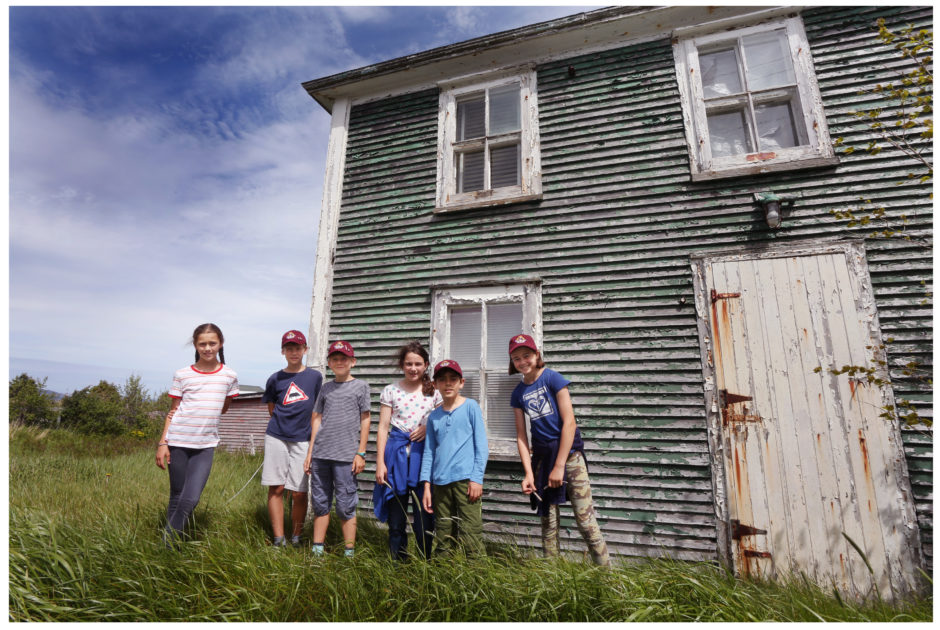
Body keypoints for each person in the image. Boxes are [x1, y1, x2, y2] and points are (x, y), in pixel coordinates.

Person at [508, 334, 610, 566]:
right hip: (543, 459)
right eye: (516, 358)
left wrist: (560, 465)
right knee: (549, 524)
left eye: (527, 355)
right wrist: (529, 473)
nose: (522, 361)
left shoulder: (553, 379)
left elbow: (570, 423)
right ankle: (552, 579)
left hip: (569, 458)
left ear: (536, 355)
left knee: (585, 522)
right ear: (512, 362)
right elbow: (522, 437)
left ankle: (608, 580)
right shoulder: (517, 393)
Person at [156, 323, 239, 546]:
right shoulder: (182, 375)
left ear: (220, 344)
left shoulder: (229, 376)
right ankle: (173, 547)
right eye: (202, 344)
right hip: (178, 441)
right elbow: (173, 411)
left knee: (191, 498)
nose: (207, 348)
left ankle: (166, 541)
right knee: (176, 495)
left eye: (212, 343)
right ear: (195, 345)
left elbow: (224, 406)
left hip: (205, 445)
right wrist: (163, 443)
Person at [373, 341, 442, 560]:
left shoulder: (435, 393)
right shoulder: (391, 391)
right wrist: (380, 463)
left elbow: (442, 423)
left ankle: (424, 563)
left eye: (418, 364)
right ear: (402, 365)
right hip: (396, 457)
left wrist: (426, 427)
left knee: (424, 518)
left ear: (426, 365)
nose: (413, 368)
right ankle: (398, 563)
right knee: (396, 518)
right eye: (409, 364)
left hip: (424, 458)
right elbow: (383, 428)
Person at [303, 340, 371, 557]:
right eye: (335, 359)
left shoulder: (361, 387)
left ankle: (349, 552)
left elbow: (366, 420)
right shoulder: (325, 388)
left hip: (345, 457)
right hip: (322, 454)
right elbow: (317, 420)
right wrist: (310, 452)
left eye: (344, 358)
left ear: (353, 361)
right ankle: (317, 551)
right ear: (329, 363)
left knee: (345, 504)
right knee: (320, 502)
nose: (339, 362)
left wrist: (361, 453)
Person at [261, 330, 323, 548]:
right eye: (289, 348)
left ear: (305, 350)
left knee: (299, 491)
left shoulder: (315, 377)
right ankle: (279, 539)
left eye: (298, 348)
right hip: (277, 436)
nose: (294, 352)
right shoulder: (275, 378)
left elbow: (317, 408)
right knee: (276, 488)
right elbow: (272, 408)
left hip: (304, 438)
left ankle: (296, 537)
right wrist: (284, 425)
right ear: (283, 351)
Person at [420, 360, 488, 556]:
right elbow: (429, 451)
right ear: (435, 385)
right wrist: (426, 485)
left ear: (461, 382)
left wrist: (477, 478)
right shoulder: (434, 416)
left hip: (466, 481)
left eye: (453, 379)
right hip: (440, 482)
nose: (448, 384)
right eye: (442, 380)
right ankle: (444, 579)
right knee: (443, 534)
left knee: (471, 533)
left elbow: (481, 446)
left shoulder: (471, 407)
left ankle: (478, 580)